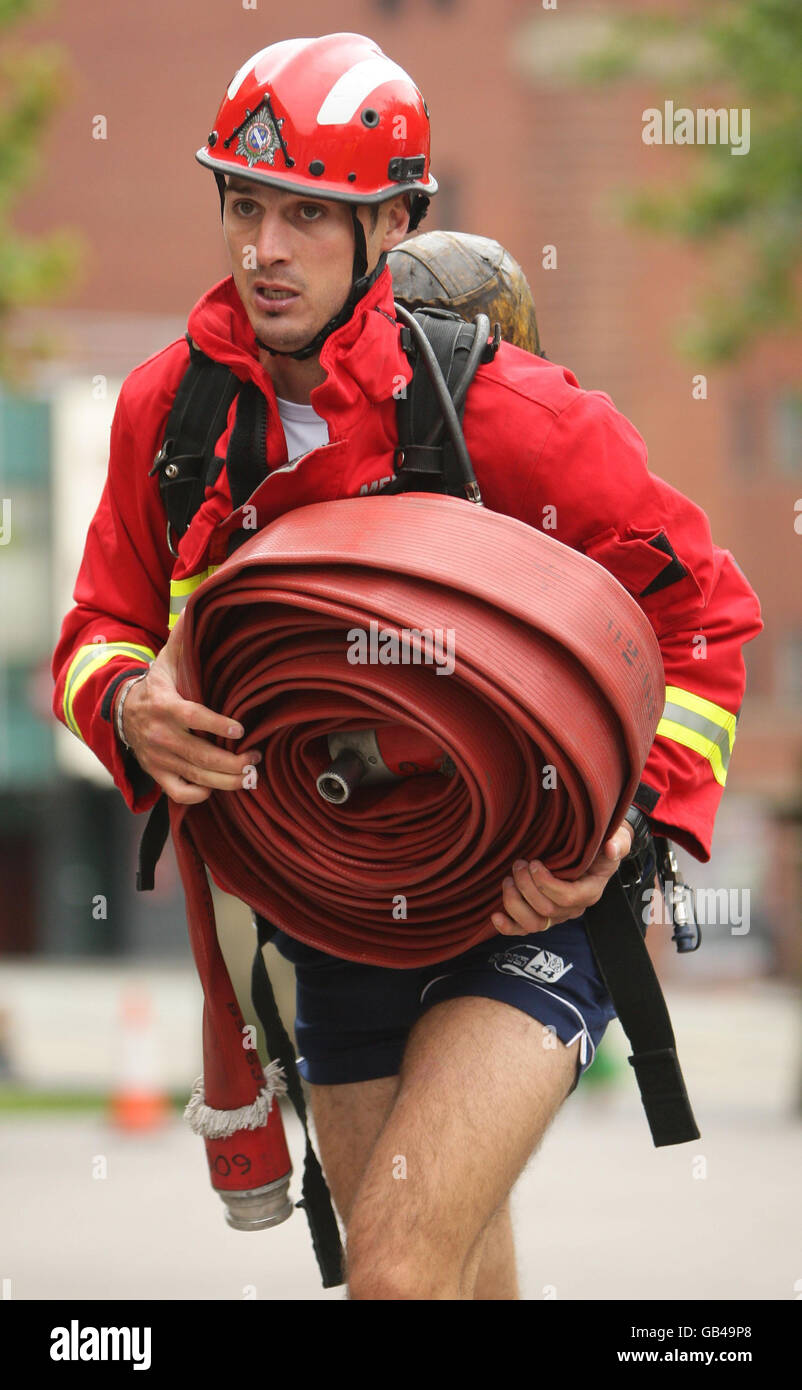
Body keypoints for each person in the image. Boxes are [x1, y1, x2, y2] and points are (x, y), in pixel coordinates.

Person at [52, 32, 762, 1300]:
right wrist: (128, 702)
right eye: (244, 204)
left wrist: (629, 824)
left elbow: (703, 621)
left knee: (394, 1266)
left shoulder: (516, 416)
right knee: (445, 1272)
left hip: (523, 905)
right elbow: (96, 625)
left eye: (307, 216)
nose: (263, 248)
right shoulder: (168, 416)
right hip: (333, 901)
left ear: (389, 223)